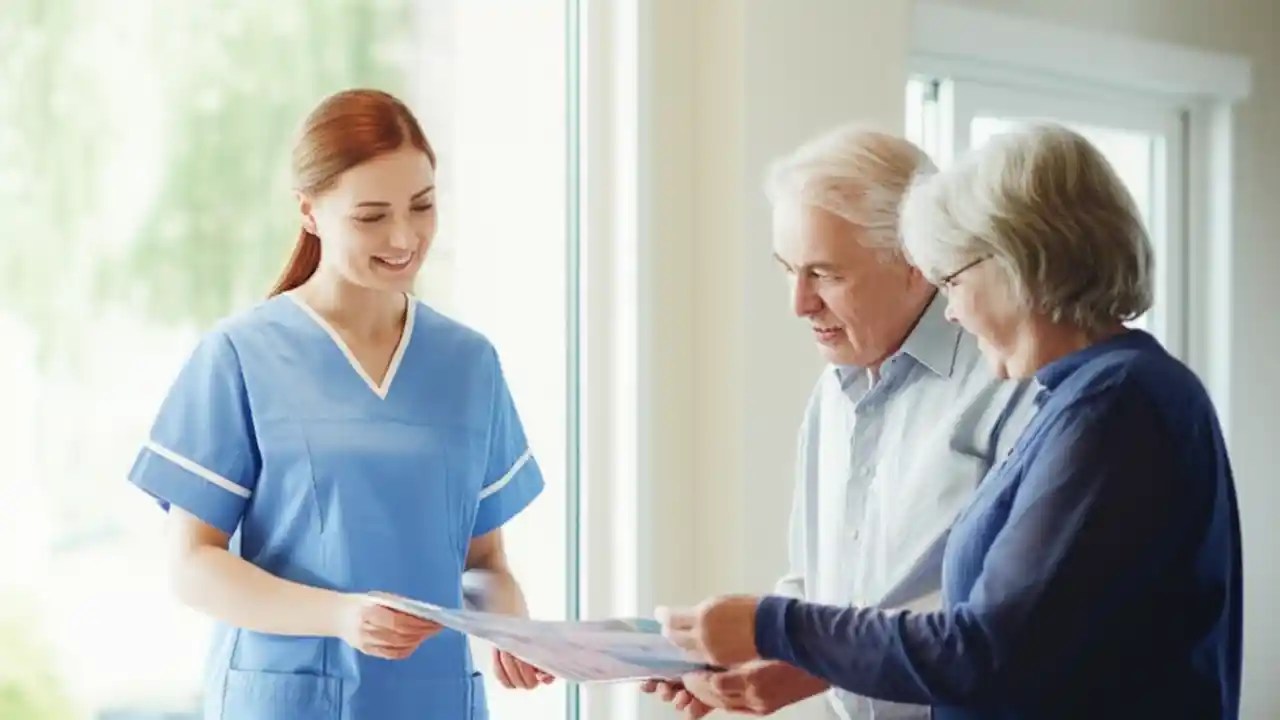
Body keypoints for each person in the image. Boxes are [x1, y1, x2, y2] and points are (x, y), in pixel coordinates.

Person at [660, 124, 1243, 720]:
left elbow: (986, 651)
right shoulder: (1092, 395)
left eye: (954, 282)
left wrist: (770, 625)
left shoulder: (1117, 402)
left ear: (1019, 266)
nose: (953, 312)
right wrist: (785, 646)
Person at [128, 88, 551, 720]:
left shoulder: (469, 364)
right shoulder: (242, 355)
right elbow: (192, 564)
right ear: (309, 212)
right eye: (371, 216)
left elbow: (483, 562)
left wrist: (510, 632)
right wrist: (339, 616)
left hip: (431, 699)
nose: (404, 236)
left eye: (423, 206)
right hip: (288, 699)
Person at [644, 126, 1034, 719]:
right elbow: (819, 587)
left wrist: (806, 653)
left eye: (825, 274)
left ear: (917, 264)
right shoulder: (834, 390)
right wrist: (738, 654)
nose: (799, 303)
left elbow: (1004, 623)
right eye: (787, 269)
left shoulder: (1007, 385)